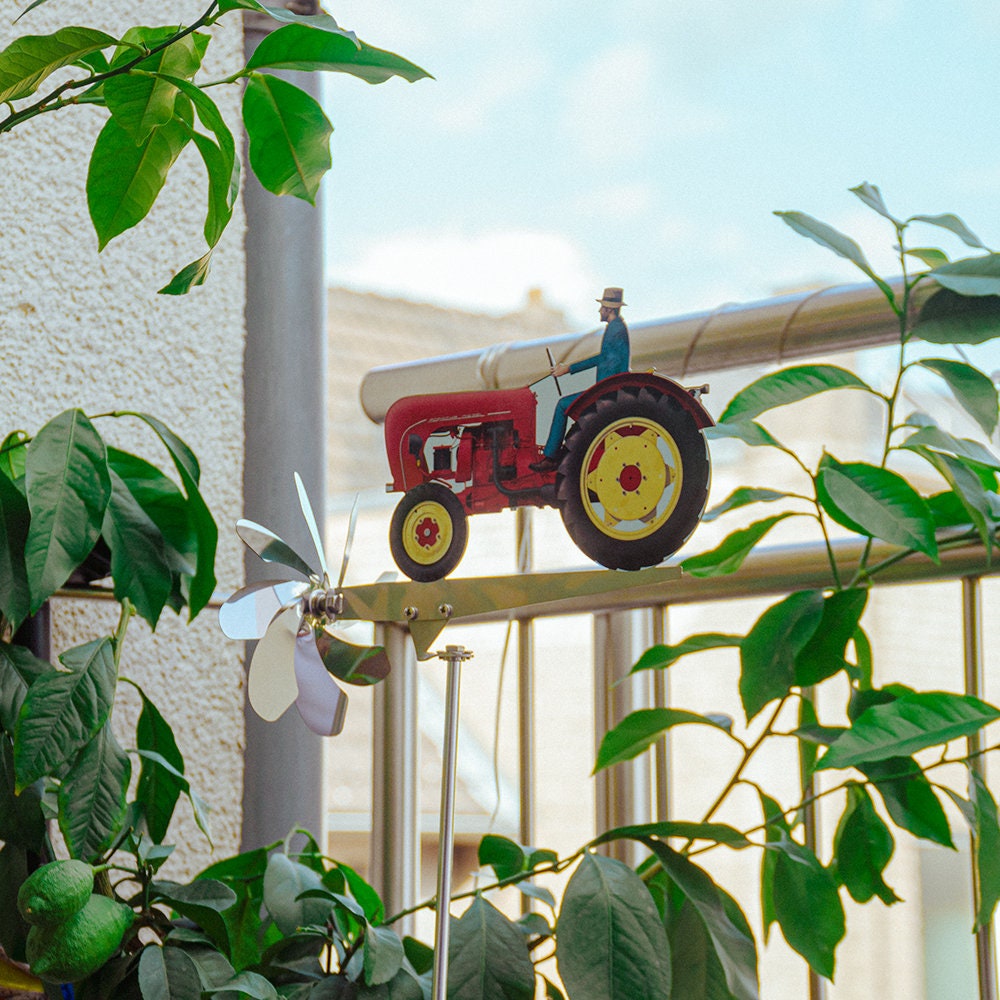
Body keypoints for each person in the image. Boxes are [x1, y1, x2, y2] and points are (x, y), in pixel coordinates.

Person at [529, 287, 630, 473]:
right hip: (606, 388)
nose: (599, 311)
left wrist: (568, 368)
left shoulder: (616, 329)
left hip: (608, 391)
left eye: (602, 308)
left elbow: (603, 359)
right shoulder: (616, 328)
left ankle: (551, 457)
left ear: (609, 309)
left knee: (562, 406)